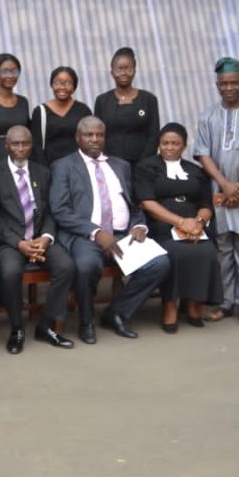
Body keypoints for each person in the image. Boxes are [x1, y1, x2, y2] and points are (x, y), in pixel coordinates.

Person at [49, 116, 169, 343]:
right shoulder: (63, 166)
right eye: (89, 135)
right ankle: (86, 321)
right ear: (78, 138)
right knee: (86, 266)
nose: (95, 140)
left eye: (99, 135)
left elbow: (134, 204)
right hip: (84, 236)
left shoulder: (120, 165)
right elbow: (60, 210)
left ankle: (117, 312)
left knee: (159, 263)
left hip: (124, 235)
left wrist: (139, 225)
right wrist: (96, 232)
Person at [193, 57, 239, 328]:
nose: (228, 88)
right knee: (223, 248)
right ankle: (225, 303)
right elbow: (202, 153)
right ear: (217, 85)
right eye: (223, 83)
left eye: (233, 83)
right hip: (217, 190)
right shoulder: (208, 116)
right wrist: (224, 184)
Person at [0, 126, 76, 353]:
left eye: (25, 143)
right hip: (10, 241)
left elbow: (50, 211)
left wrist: (46, 238)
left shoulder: (42, 172)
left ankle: (46, 324)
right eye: (15, 144)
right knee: (10, 273)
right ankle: (17, 328)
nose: (20, 149)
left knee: (66, 266)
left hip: (40, 238)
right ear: (6, 146)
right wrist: (19, 243)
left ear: (32, 145)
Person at [135, 123, 223, 332]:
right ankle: (170, 305)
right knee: (175, 253)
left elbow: (205, 204)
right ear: (159, 144)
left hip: (194, 227)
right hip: (162, 226)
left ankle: (194, 303)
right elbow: (147, 202)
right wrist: (180, 223)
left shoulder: (196, 171)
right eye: (165, 143)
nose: (169, 148)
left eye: (175, 144)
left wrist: (198, 224)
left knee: (207, 251)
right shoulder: (146, 167)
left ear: (184, 146)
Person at [93, 47, 160, 167]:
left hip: (143, 165)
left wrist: (144, 162)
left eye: (128, 69)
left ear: (134, 71)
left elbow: (153, 135)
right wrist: (107, 161)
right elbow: (98, 134)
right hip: (110, 164)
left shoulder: (148, 99)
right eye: (119, 69)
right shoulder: (102, 101)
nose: (124, 73)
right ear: (112, 73)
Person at [30, 66, 92, 165]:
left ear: (74, 86)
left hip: (79, 167)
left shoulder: (83, 110)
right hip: (50, 168)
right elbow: (36, 146)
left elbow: (90, 140)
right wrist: (43, 171)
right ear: (51, 85)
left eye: (68, 83)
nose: (62, 87)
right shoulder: (40, 112)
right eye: (58, 83)